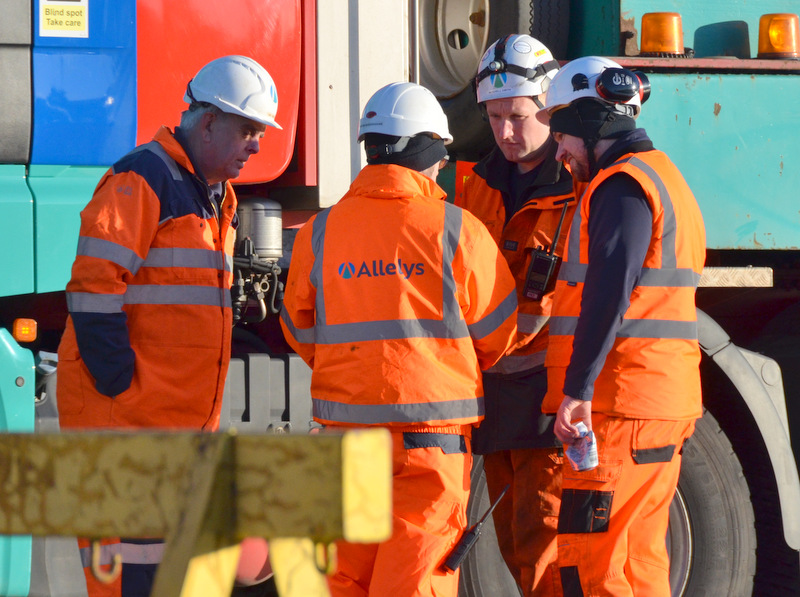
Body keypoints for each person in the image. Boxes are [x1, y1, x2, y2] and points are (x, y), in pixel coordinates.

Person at [280, 81, 518, 597]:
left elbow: (300, 329)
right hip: (428, 447)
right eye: (441, 156)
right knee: (413, 585)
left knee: (342, 582)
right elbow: (499, 336)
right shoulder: (458, 230)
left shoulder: (321, 233)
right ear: (428, 149)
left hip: (345, 439)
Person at [56, 55, 280, 596]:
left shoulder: (215, 197)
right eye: (248, 131)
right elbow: (92, 287)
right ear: (207, 122)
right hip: (130, 430)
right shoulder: (144, 178)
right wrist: (121, 386)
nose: (256, 145)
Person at [536, 56, 706, 596]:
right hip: (657, 404)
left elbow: (608, 291)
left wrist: (577, 390)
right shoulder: (665, 178)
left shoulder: (622, 186)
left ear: (591, 122)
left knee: (594, 564)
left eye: (561, 133)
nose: (558, 150)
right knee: (638, 563)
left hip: (620, 407)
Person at [454, 33, 580, 597]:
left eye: (519, 116)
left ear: (548, 110)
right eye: (495, 115)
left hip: (551, 396)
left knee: (544, 540)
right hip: (497, 394)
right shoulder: (470, 185)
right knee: (515, 542)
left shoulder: (579, 188)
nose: (506, 131)